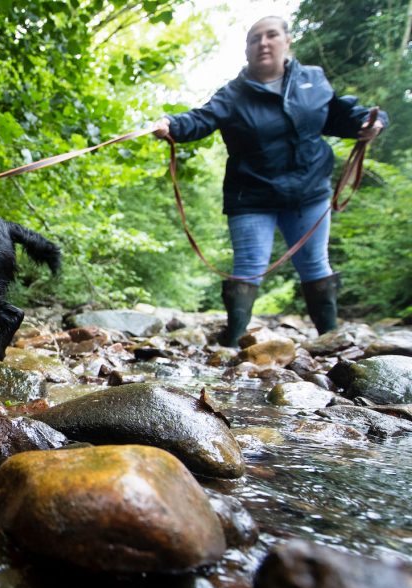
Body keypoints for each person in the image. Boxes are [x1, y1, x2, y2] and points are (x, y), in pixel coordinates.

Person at [152, 16, 387, 346]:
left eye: (271, 35)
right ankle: (232, 344)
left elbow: (341, 117)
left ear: (287, 41)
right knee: (248, 266)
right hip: (251, 196)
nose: (263, 43)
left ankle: (329, 341)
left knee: (315, 264)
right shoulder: (233, 94)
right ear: (246, 50)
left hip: (309, 193)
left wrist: (371, 123)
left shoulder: (313, 80)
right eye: (254, 39)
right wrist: (169, 124)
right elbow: (200, 120)